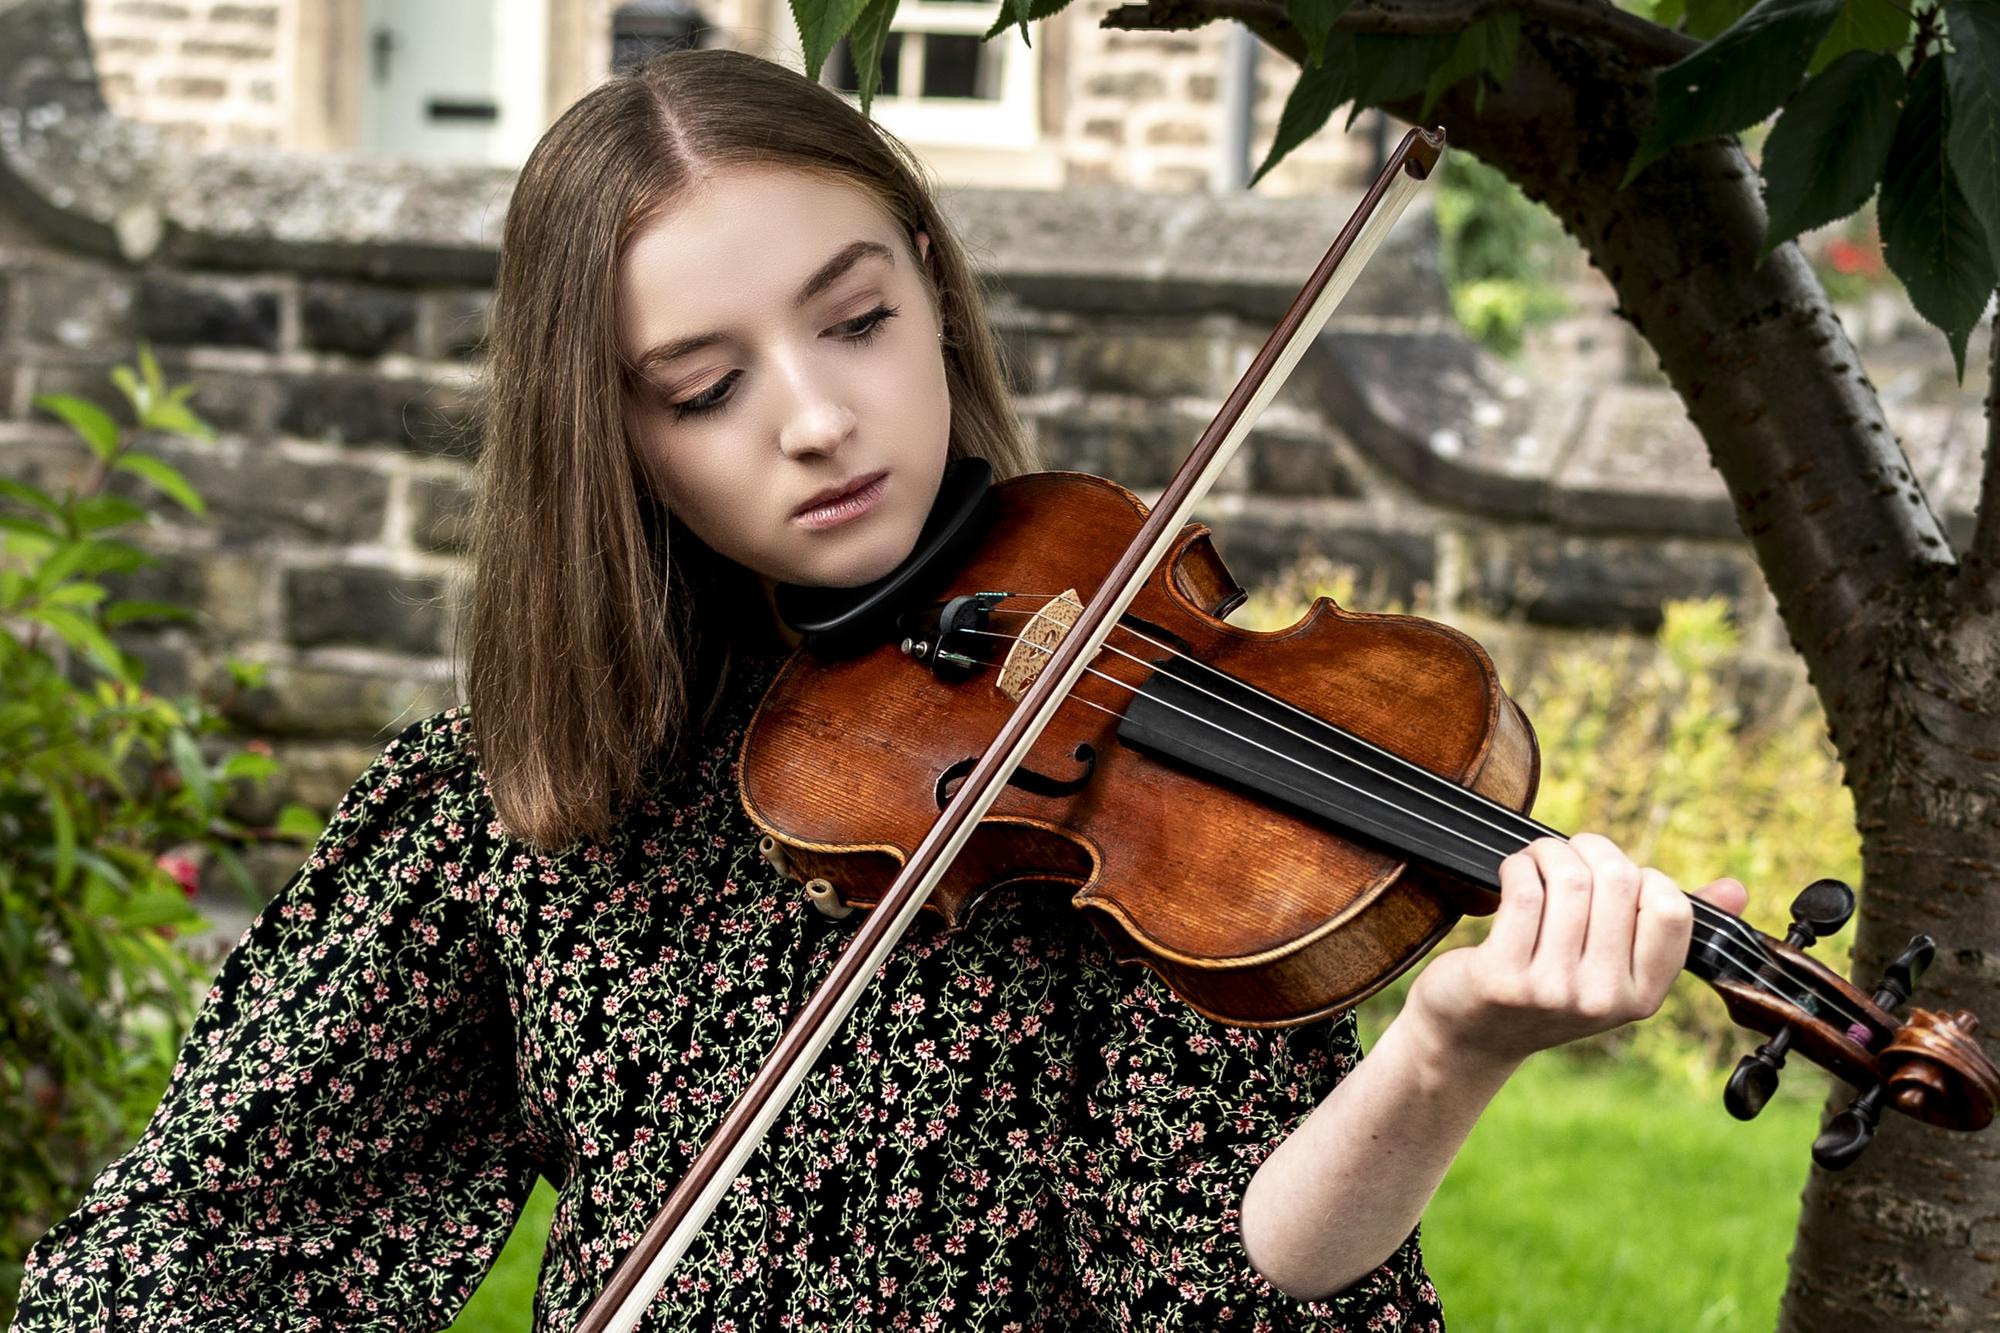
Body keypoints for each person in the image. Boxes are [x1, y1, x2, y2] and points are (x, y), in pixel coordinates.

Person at [11, 47, 1748, 1332]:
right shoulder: (515, 801)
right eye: (702, 387)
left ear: (931, 283)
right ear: (604, 435)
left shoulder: (1138, 777)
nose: (819, 419)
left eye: (855, 320)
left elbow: (1223, 1281)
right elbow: (213, 1237)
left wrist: (1446, 1053)